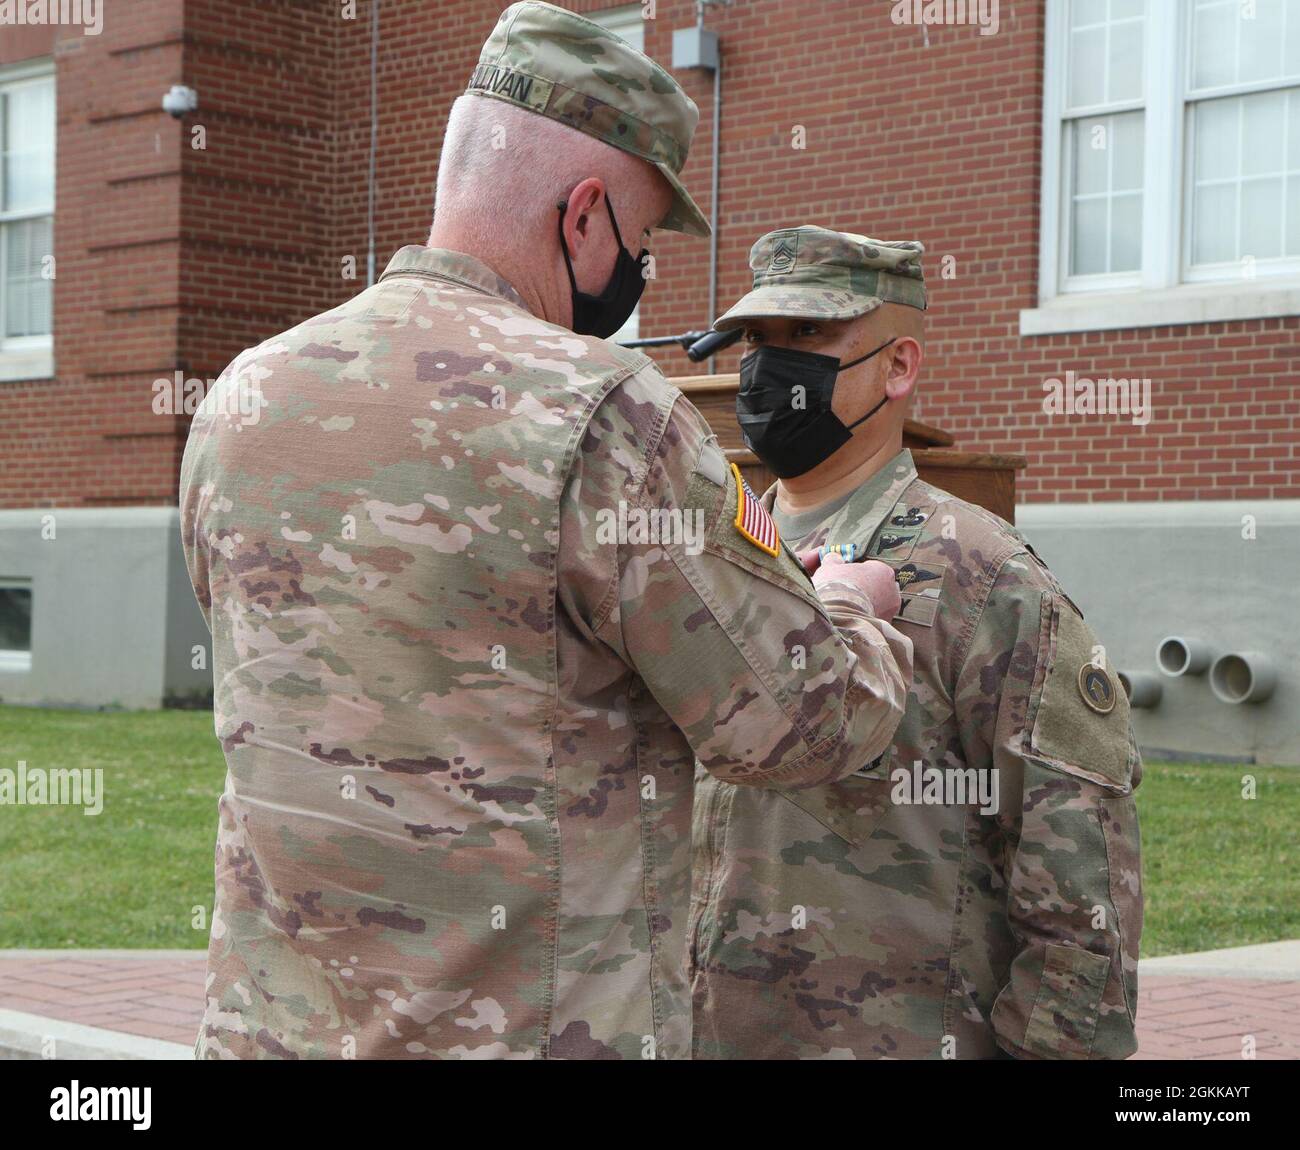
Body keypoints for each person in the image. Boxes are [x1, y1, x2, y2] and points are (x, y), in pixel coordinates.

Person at [179, 8, 911, 1060]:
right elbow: (793, 722)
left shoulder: (245, 392)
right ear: (583, 217)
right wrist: (849, 606)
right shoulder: (604, 410)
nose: (641, 274)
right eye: (644, 239)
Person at [690, 225, 1143, 1060]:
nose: (768, 367)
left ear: (899, 367)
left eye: (810, 337)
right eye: (758, 340)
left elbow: (1080, 897)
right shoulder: (713, 554)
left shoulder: (985, 576)